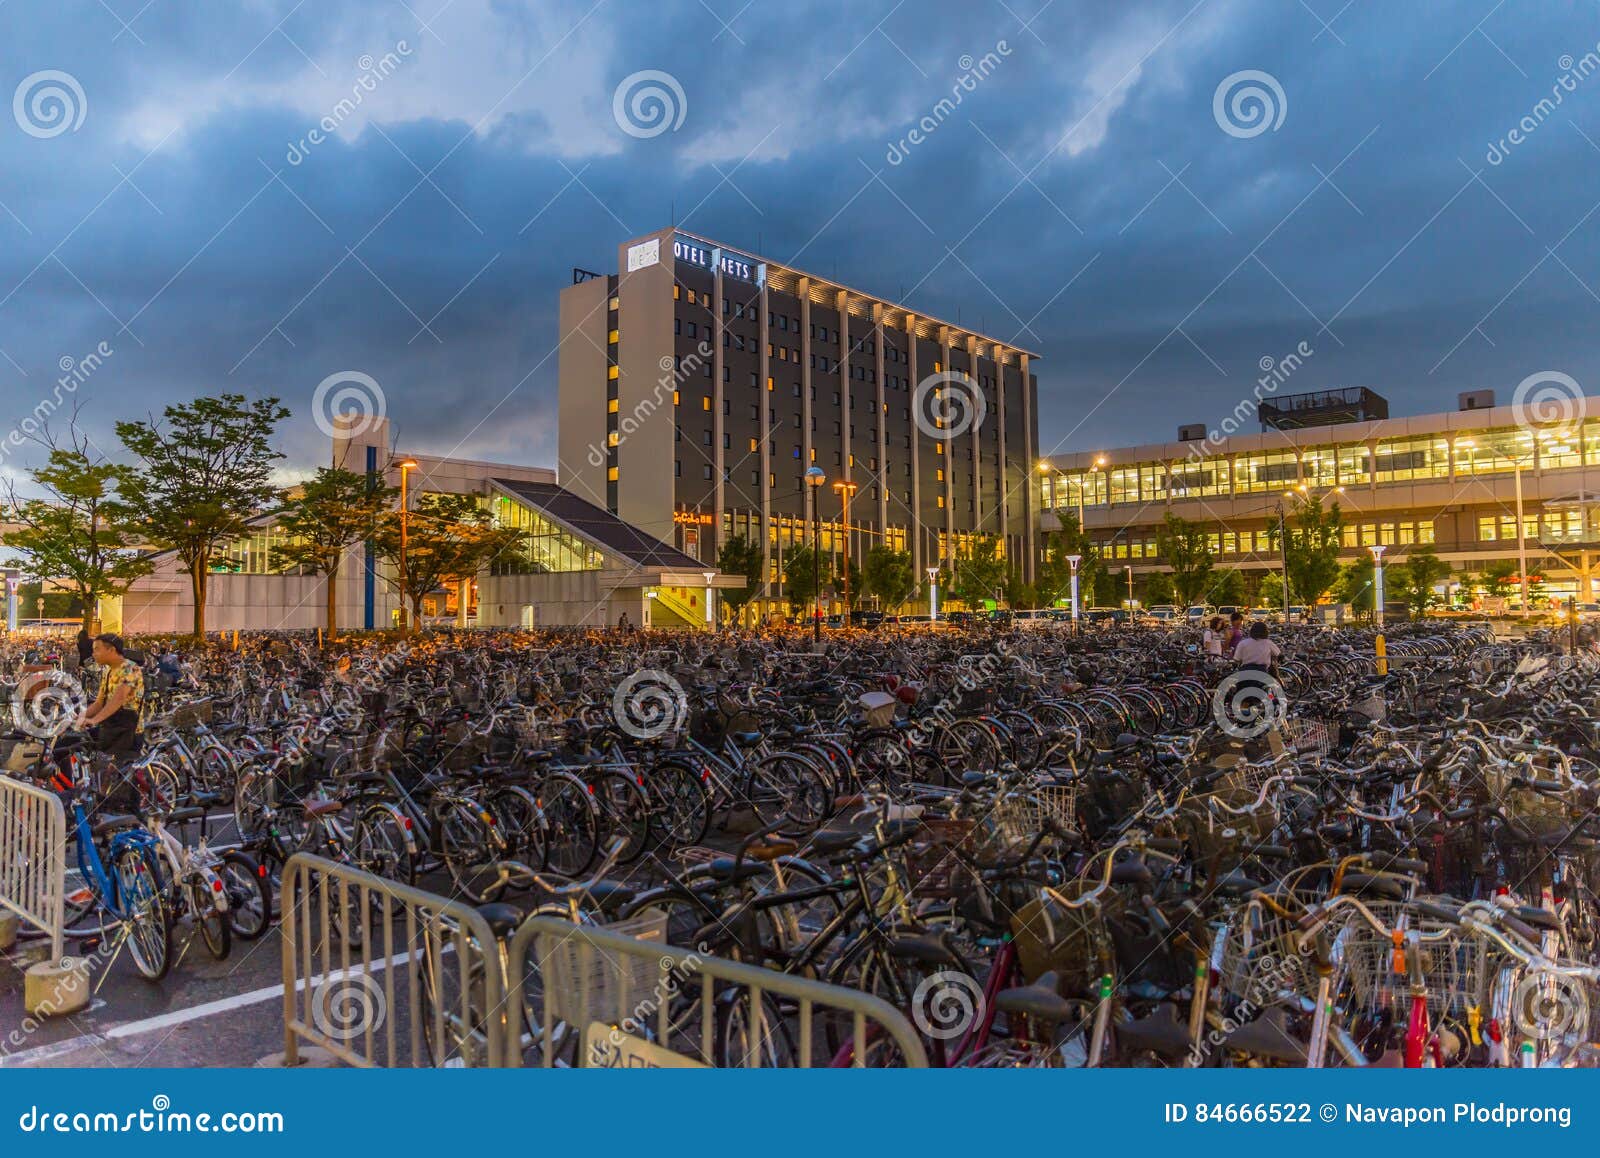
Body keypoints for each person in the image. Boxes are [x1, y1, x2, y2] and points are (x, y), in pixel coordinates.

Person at [75, 633, 144, 756]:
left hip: (129, 733)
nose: (93, 654)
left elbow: (118, 700)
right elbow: (99, 703)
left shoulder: (130, 668)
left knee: (113, 766)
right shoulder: (108, 671)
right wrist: (77, 717)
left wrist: (94, 720)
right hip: (111, 728)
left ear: (111, 650)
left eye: (97, 649)